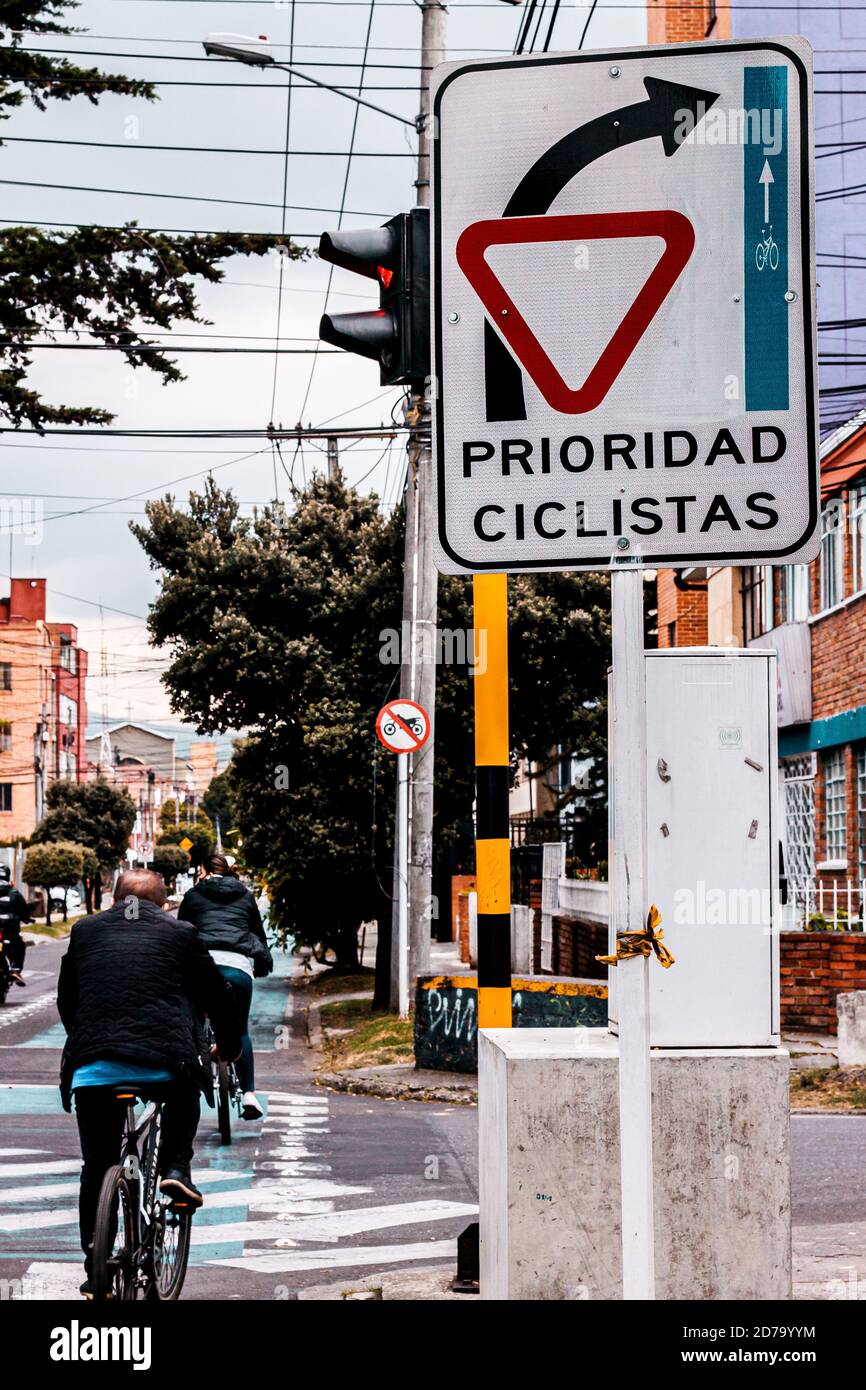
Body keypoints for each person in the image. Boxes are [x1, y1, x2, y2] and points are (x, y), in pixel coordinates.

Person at [57, 868, 241, 1299]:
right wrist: (228, 1047)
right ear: (163, 904)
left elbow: (69, 999)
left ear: (114, 898)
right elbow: (217, 996)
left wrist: (87, 1040)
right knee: (184, 1094)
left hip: (95, 1068)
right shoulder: (181, 934)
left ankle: (94, 1268)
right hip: (165, 1063)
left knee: (97, 1167)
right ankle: (176, 1168)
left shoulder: (84, 932)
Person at [179, 854, 272, 1121]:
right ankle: (250, 1094)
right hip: (237, 967)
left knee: (193, 1022)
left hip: (202, 968)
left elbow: (181, 933)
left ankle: (193, 1079)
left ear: (206, 872)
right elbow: (258, 933)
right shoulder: (245, 895)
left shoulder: (193, 896)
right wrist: (262, 965)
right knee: (240, 1028)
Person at [0, 864, 31, 985]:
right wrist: (27, 919)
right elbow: (24, 912)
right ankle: (16, 970)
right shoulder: (14, 893)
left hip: (9, 932)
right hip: (10, 930)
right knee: (19, 945)